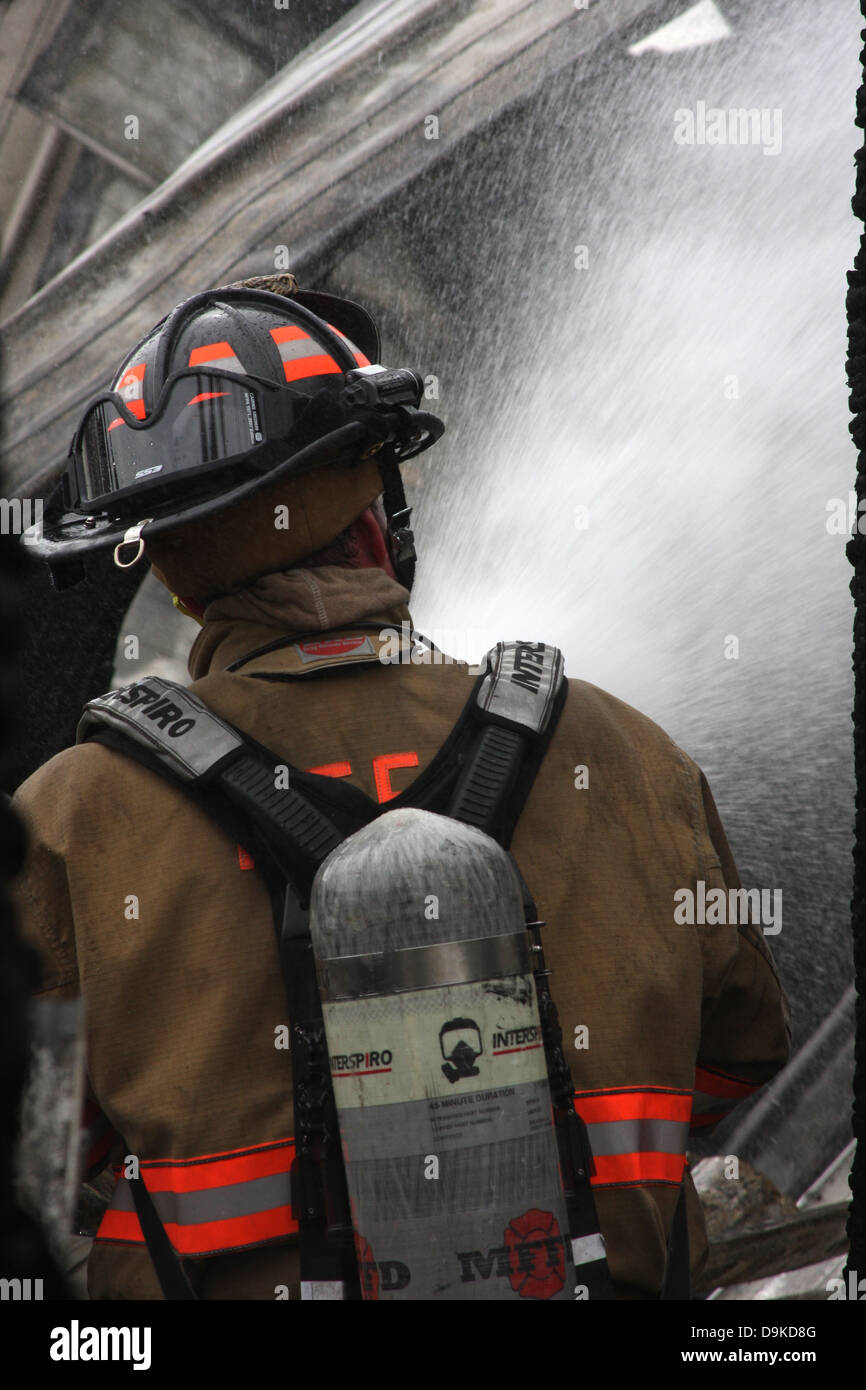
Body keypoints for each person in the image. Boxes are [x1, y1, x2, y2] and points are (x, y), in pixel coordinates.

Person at [11, 273, 791, 1300]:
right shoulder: (625, 751)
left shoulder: (66, 821)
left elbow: (45, 1172)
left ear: (173, 572)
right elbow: (737, 1054)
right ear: (374, 517)